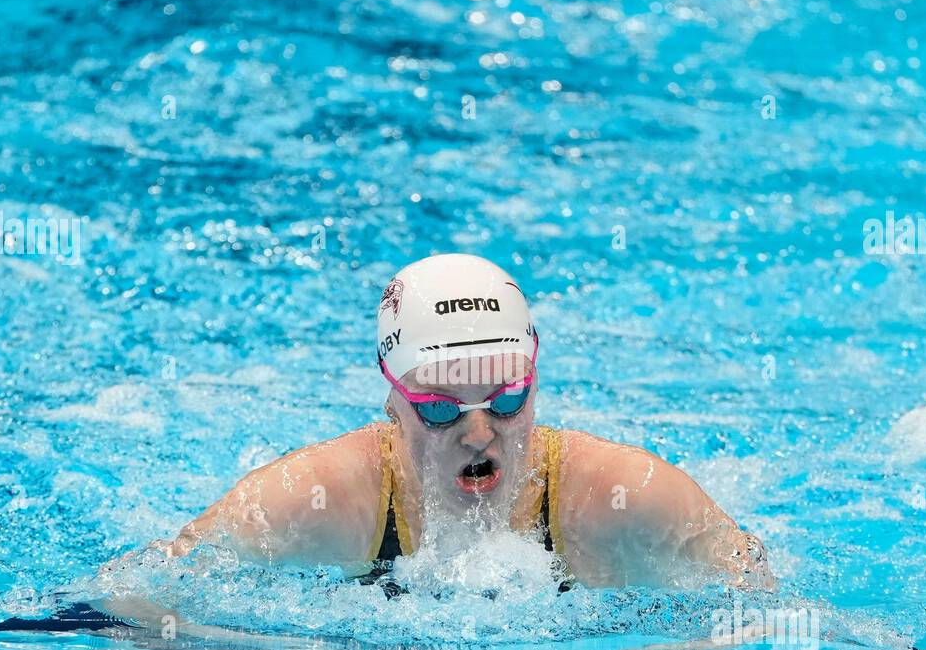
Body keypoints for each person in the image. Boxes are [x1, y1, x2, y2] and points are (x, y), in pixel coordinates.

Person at [146, 253, 771, 592]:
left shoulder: (630, 499)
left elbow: (761, 607)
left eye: (506, 402)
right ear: (393, 397)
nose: (478, 435)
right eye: (441, 409)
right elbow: (145, 598)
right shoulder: (306, 504)